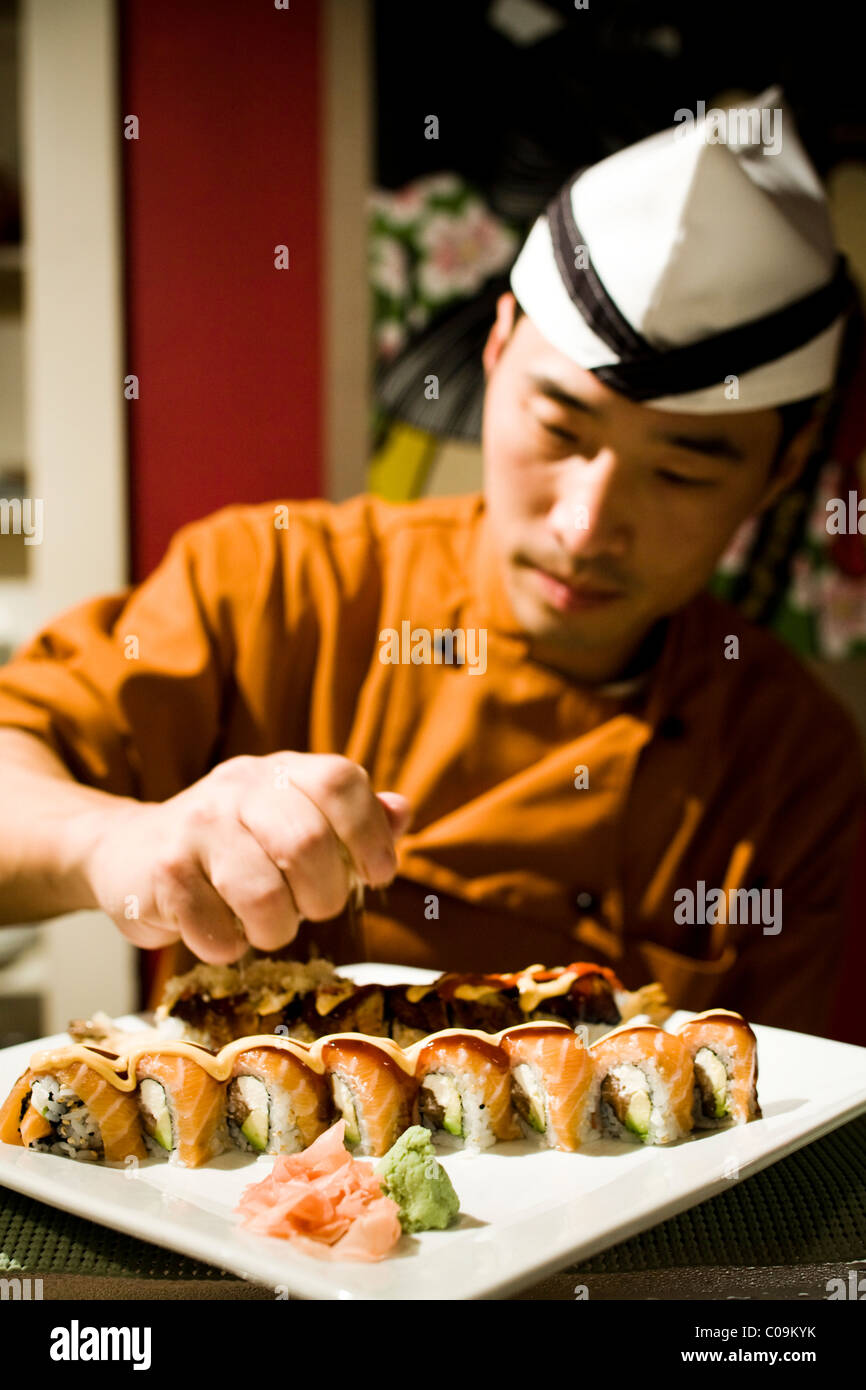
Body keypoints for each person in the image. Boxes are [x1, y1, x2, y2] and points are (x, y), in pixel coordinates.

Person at [0, 93, 863, 1035]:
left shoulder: (791, 759)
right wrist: (115, 841)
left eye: (684, 471)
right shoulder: (277, 584)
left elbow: (769, 1125)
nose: (586, 526)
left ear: (780, 470)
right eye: (558, 427)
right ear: (496, 352)